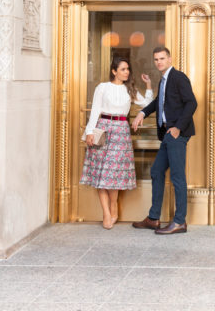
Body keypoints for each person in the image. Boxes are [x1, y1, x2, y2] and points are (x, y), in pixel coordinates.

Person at [81, 56, 153, 229]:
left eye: (127, 69)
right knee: (101, 173)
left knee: (114, 173)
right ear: (114, 71)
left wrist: (149, 86)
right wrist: (89, 132)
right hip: (103, 128)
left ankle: (114, 205)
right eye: (123, 69)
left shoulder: (130, 90)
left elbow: (148, 103)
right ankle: (106, 212)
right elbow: (96, 110)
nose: (126, 72)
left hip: (121, 130)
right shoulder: (103, 87)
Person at [131, 46, 197, 234]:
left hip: (176, 134)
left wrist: (177, 128)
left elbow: (192, 102)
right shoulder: (164, 81)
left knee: (177, 178)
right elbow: (159, 102)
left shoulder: (178, 77)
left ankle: (179, 222)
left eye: (162, 58)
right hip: (167, 135)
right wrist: (142, 113)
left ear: (169, 59)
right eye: (156, 59)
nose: (159, 62)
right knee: (157, 171)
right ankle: (153, 218)